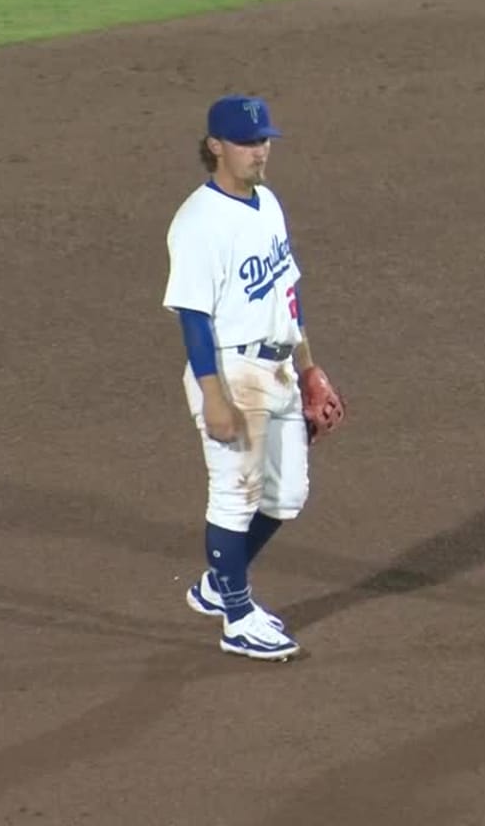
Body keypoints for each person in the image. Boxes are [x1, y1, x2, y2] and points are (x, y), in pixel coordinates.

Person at [163, 94, 346, 661]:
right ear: (215, 146)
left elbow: (287, 295)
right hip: (230, 367)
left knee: (287, 495)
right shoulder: (197, 222)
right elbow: (193, 316)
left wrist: (311, 368)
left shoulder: (267, 203)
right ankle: (237, 616)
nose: (259, 150)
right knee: (235, 493)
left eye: (264, 139)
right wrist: (213, 395)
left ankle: (219, 583)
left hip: (280, 364)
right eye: (246, 141)